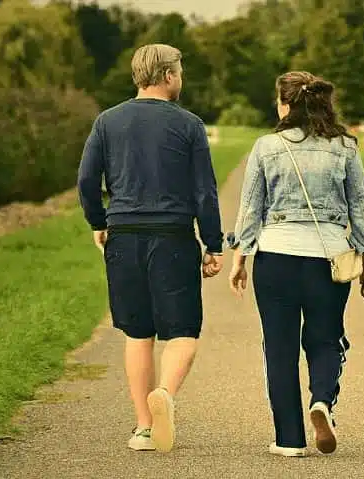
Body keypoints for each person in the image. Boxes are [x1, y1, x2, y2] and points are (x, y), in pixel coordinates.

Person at [225, 71, 364, 457]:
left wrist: (239, 258)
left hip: (275, 259)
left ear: (285, 105)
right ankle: (322, 401)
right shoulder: (345, 146)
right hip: (328, 259)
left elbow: (250, 207)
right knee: (326, 338)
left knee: (279, 348)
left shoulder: (266, 146)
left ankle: (289, 440)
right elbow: (361, 207)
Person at [76, 43, 224, 454]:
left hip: (123, 235)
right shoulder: (189, 124)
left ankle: (143, 427)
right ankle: (165, 393)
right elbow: (204, 191)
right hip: (172, 236)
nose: (181, 79)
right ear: (168, 75)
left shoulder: (107, 121)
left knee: (138, 333)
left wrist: (99, 222)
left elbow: (87, 181)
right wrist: (213, 244)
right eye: (180, 72)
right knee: (183, 333)